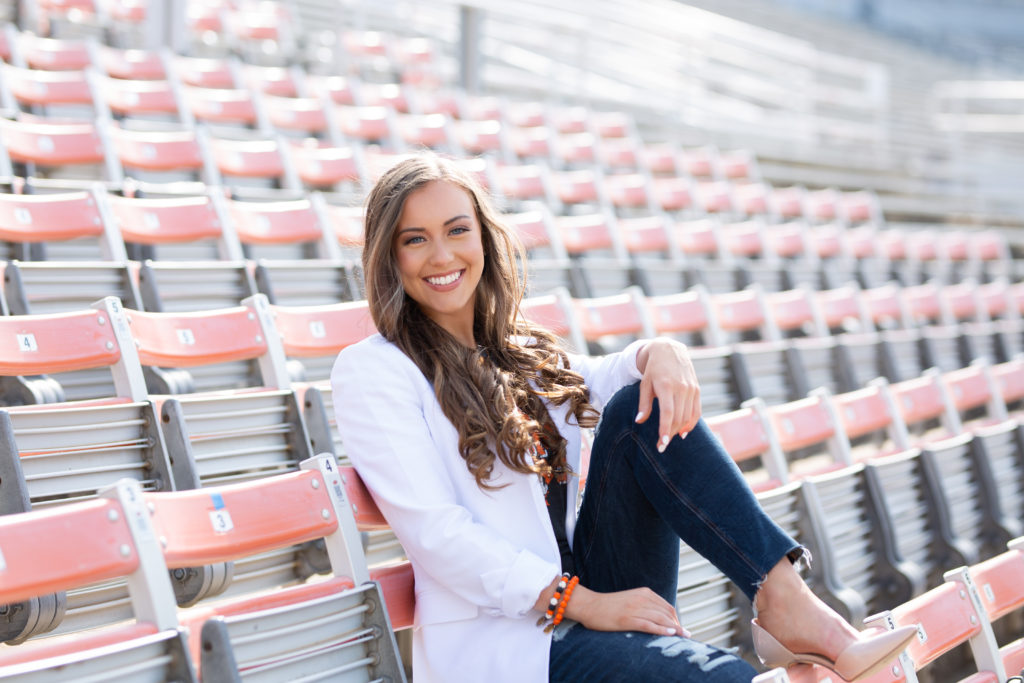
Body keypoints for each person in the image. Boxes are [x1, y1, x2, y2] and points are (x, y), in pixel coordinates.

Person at [330, 153, 916, 683]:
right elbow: (438, 536)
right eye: (416, 239)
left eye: (458, 230)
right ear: (391, 258)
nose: (442, 255)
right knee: (723, 679)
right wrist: (583, 604)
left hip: (587, 597)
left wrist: (658, 351)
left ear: (484, 237)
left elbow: (613, 378)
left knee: (644, 405)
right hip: (507, 646)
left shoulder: (516, 350)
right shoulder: (374, 372)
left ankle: (785, 599)